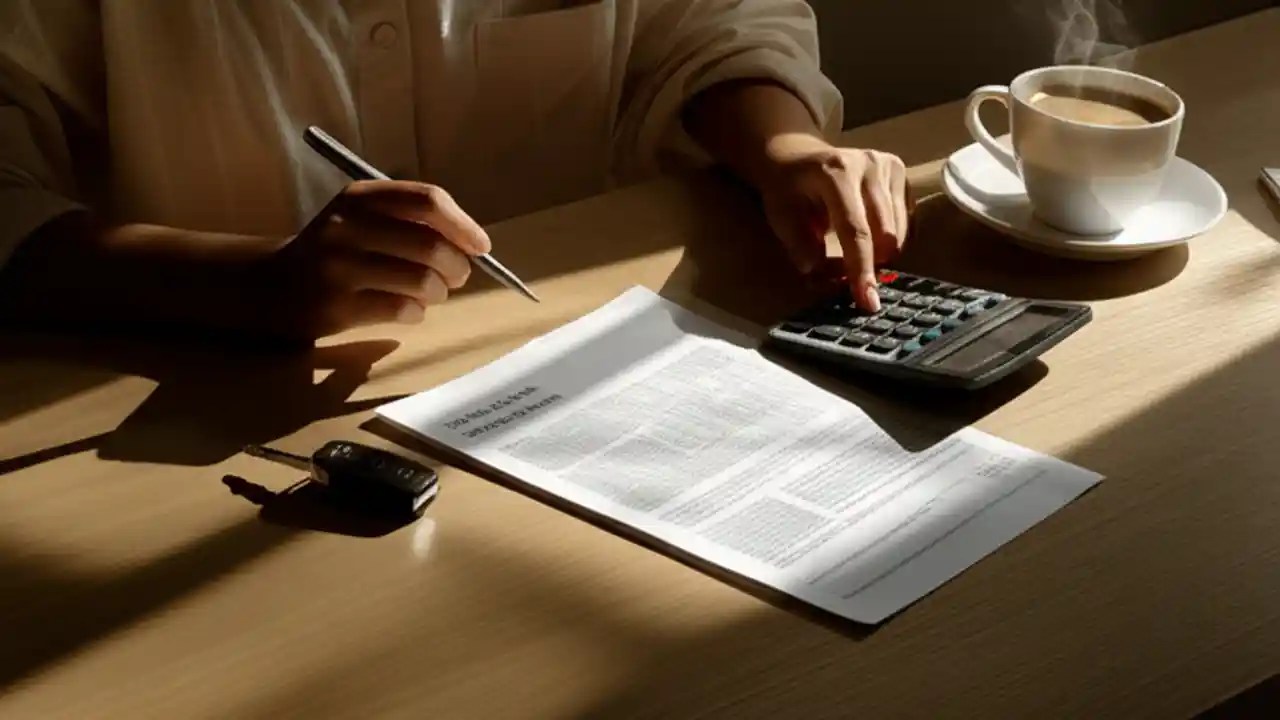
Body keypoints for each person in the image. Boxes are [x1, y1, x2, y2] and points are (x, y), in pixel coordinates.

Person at [0, 1, 909, 341]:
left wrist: (784, 146)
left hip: (569, 364)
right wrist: (248, 287)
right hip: (220, 402)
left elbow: (714, 25)